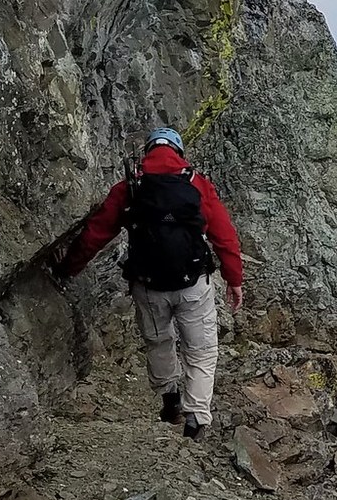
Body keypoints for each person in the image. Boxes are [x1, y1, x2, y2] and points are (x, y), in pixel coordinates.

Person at [55, 127, 244, 438]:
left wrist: (68, 268)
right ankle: (195, 420)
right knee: (201, 351)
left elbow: (95, 235)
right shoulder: (198, 185)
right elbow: (224, 237)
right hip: (193, 284)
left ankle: (170, 395)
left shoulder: (129, 188)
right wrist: (234, 280)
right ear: (179, 152)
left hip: (148, 285)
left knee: (159, 341)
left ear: (147, 152)